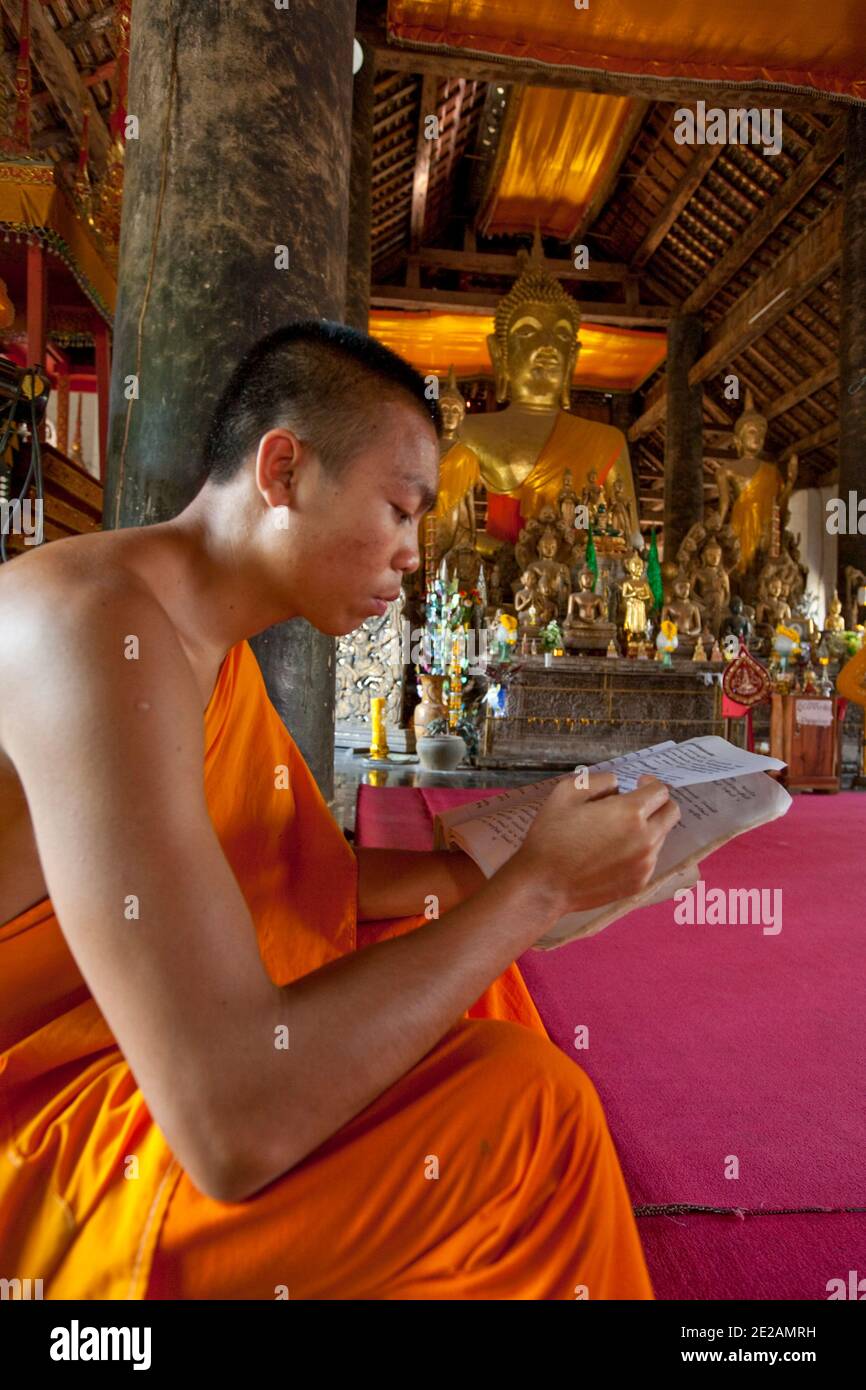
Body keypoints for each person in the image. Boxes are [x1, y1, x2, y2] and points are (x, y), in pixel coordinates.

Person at [0, 320, 679, 1300]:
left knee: (466, 987)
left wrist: (497, 861)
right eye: (401, 509)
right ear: (283, 470)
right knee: (530, 1111)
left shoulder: (198, 641)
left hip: (142, 1054)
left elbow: (279, 872)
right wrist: (528, 892)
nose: (413, 554)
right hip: (43, 1123)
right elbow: (231, 1122)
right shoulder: (97, 631)